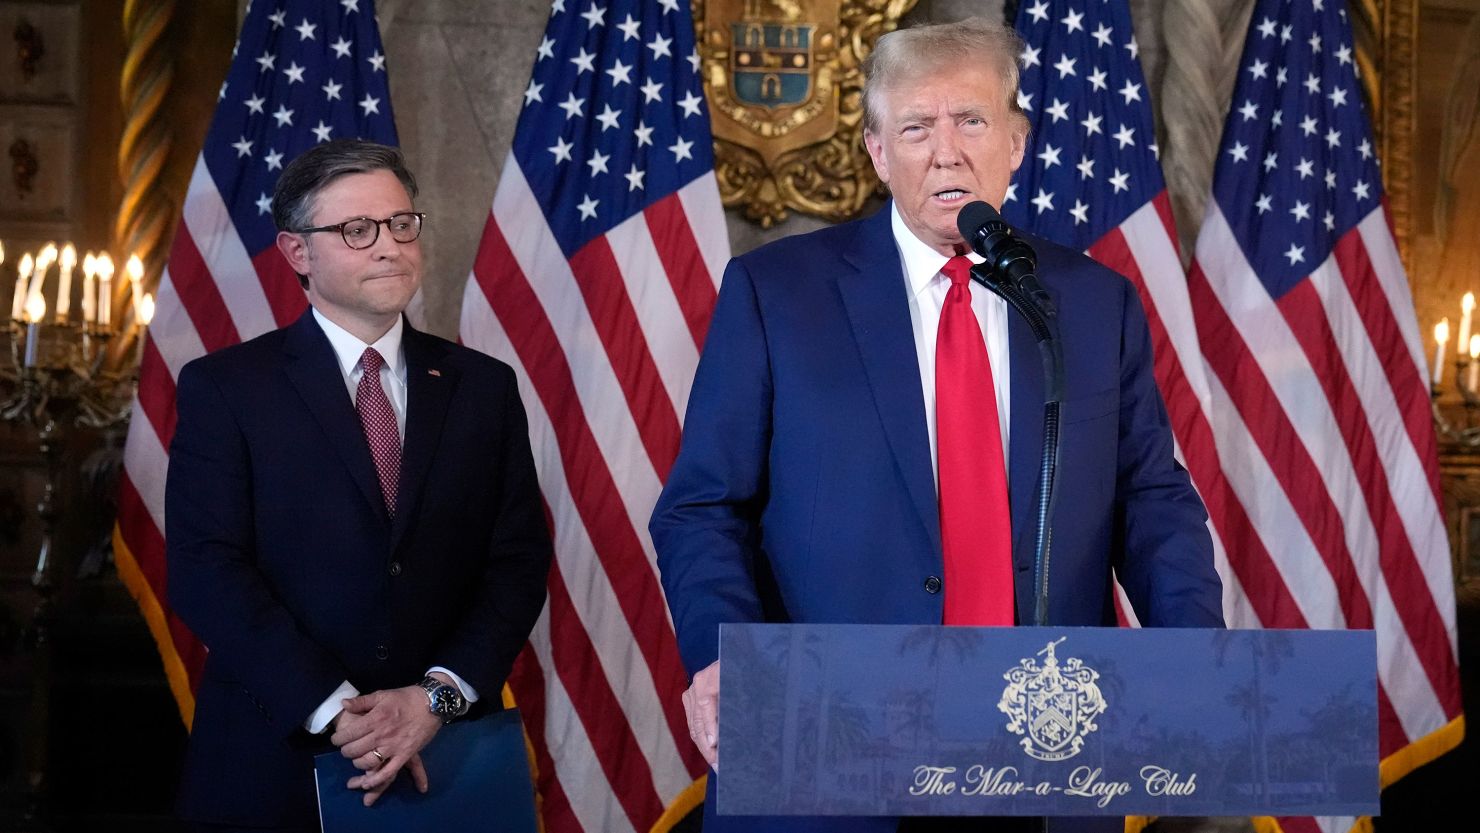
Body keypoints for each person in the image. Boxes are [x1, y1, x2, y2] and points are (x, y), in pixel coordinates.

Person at [649, 17, 1224, 833]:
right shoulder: (776, 296)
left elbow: (1154, 503)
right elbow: (702, 506)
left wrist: (1195, 661)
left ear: (1016, 142)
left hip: (1042, 754)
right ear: (879, 153)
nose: (946, 150)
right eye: (917, 126)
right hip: (833, 753)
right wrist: (723, 657)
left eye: (972, 121)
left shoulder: (1095, 304)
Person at [167, 139, 551, 831]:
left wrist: (435, 698)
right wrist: (338, 710)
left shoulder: (483, 388)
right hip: (275, 756)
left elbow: (517, 563)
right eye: (357, 229)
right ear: (297, 253)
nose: (388, 246)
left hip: (448, 756)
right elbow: (206, 568)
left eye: (402, 224)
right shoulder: (227, 389)